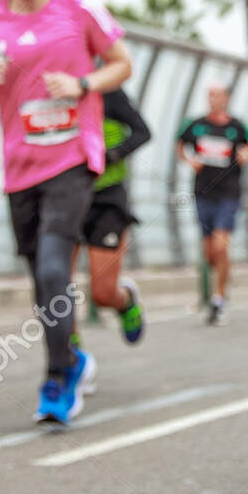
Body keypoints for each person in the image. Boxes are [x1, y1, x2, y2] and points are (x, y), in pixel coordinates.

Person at [0, 0, 132, 426]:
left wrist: (82, 86)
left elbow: (122, 63)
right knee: (42, 280)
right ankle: (73, 355)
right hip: (21, 167)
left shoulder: (79, 12)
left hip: (74, 159)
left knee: (57, 267)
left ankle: (57, 378)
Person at [77, 86, 150, 346]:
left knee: (102, 294)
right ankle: (70, 360)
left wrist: (112, 154)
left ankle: (126, 299)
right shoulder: (49, 91)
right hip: (64, 196)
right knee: (56, 285)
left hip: (106, 197)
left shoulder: (107, 92)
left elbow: (143, 132)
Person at [178, 86, 248, 325]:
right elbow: (179, 144)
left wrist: (245, 156)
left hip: (229, 193)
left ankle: (219, 299)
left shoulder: (237, 127)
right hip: (203, 192)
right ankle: (218, 284)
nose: (214, 99)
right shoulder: (196, 124)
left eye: (218, 94)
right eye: (210, 94)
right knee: (210, 252)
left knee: (221, 246)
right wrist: (190, 161)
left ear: (227, 98)